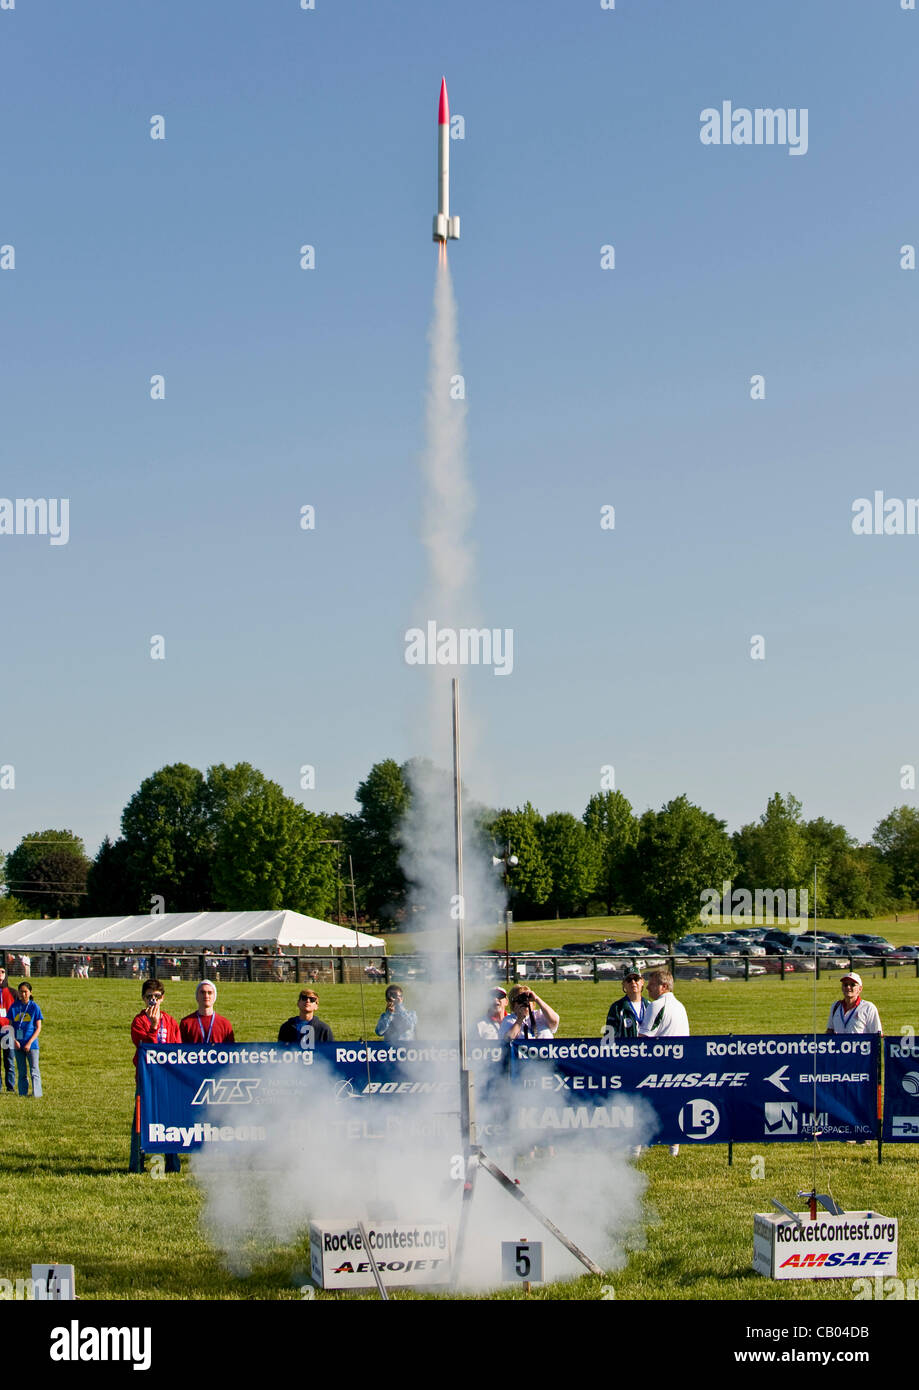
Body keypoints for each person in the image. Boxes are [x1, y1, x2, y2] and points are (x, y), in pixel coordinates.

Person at [130, 979, 181, 1174]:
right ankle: (137, 1164)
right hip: (146, 1079)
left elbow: (177, 1047)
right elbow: (142, 1046)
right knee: (141, 1122)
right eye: (149, 997)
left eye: (157, 997)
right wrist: (153, 1027)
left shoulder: (170, 1021)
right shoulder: (139, 1021)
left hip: (167, 1078)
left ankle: (172, 1164)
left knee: (169, 1121)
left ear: (163, 998)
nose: (153, 1000)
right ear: (143, 999)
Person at [640, 969, 689, 1156]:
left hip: (658, 1065)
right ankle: (674, 1147)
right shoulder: (681, 1007)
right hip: (680, 1065)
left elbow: (644, 1038)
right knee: (674, 1106)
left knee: (647, 1105)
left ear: (664, 986)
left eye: (652, 985)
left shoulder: (656, 1006)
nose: (648, 989)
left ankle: (641, 1145)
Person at [9, 982, 42, 1098]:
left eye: (25, 992)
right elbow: (10, 1025)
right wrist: (14, 1040)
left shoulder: (34, 1007)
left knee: (34, 1070)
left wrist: (30, 1042)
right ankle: (23, 1093)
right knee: (22, 1071)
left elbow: (38, 1027)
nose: (23, 994)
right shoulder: (14, 1007)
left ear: (30, 993)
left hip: (31, 1044)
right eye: (21, 991)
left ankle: (37, 1094)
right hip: (18, 1044)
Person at [179, 980, 235, 1044]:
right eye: (202, 992)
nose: (206, 996)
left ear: (214, 996)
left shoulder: (225, 1024)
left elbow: (231, 1050)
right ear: (197, 996)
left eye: (210, 992)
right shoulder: (186, 1023)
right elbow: (181, 1050)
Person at [639, 969, 690, 1038]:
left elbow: (643, 1039)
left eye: (652, 984)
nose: (647, 987)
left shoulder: (657, 1005)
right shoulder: (680, 1006)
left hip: (663, 1048)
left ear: (664, 986)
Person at [603, 967, 647, 1040]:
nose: (633, 982)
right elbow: (609, 1036)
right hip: (626, 1050)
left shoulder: (649, 1006)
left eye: (636, 979)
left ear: (642, 982)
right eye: (629, 980)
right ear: (624, 984)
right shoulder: (617, 1008)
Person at [0, 966, 17, 1093]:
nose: (0, 974)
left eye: (2, 972)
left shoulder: (12, 992)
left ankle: (10, 1087)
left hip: (7, 1029)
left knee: (9, 1059)